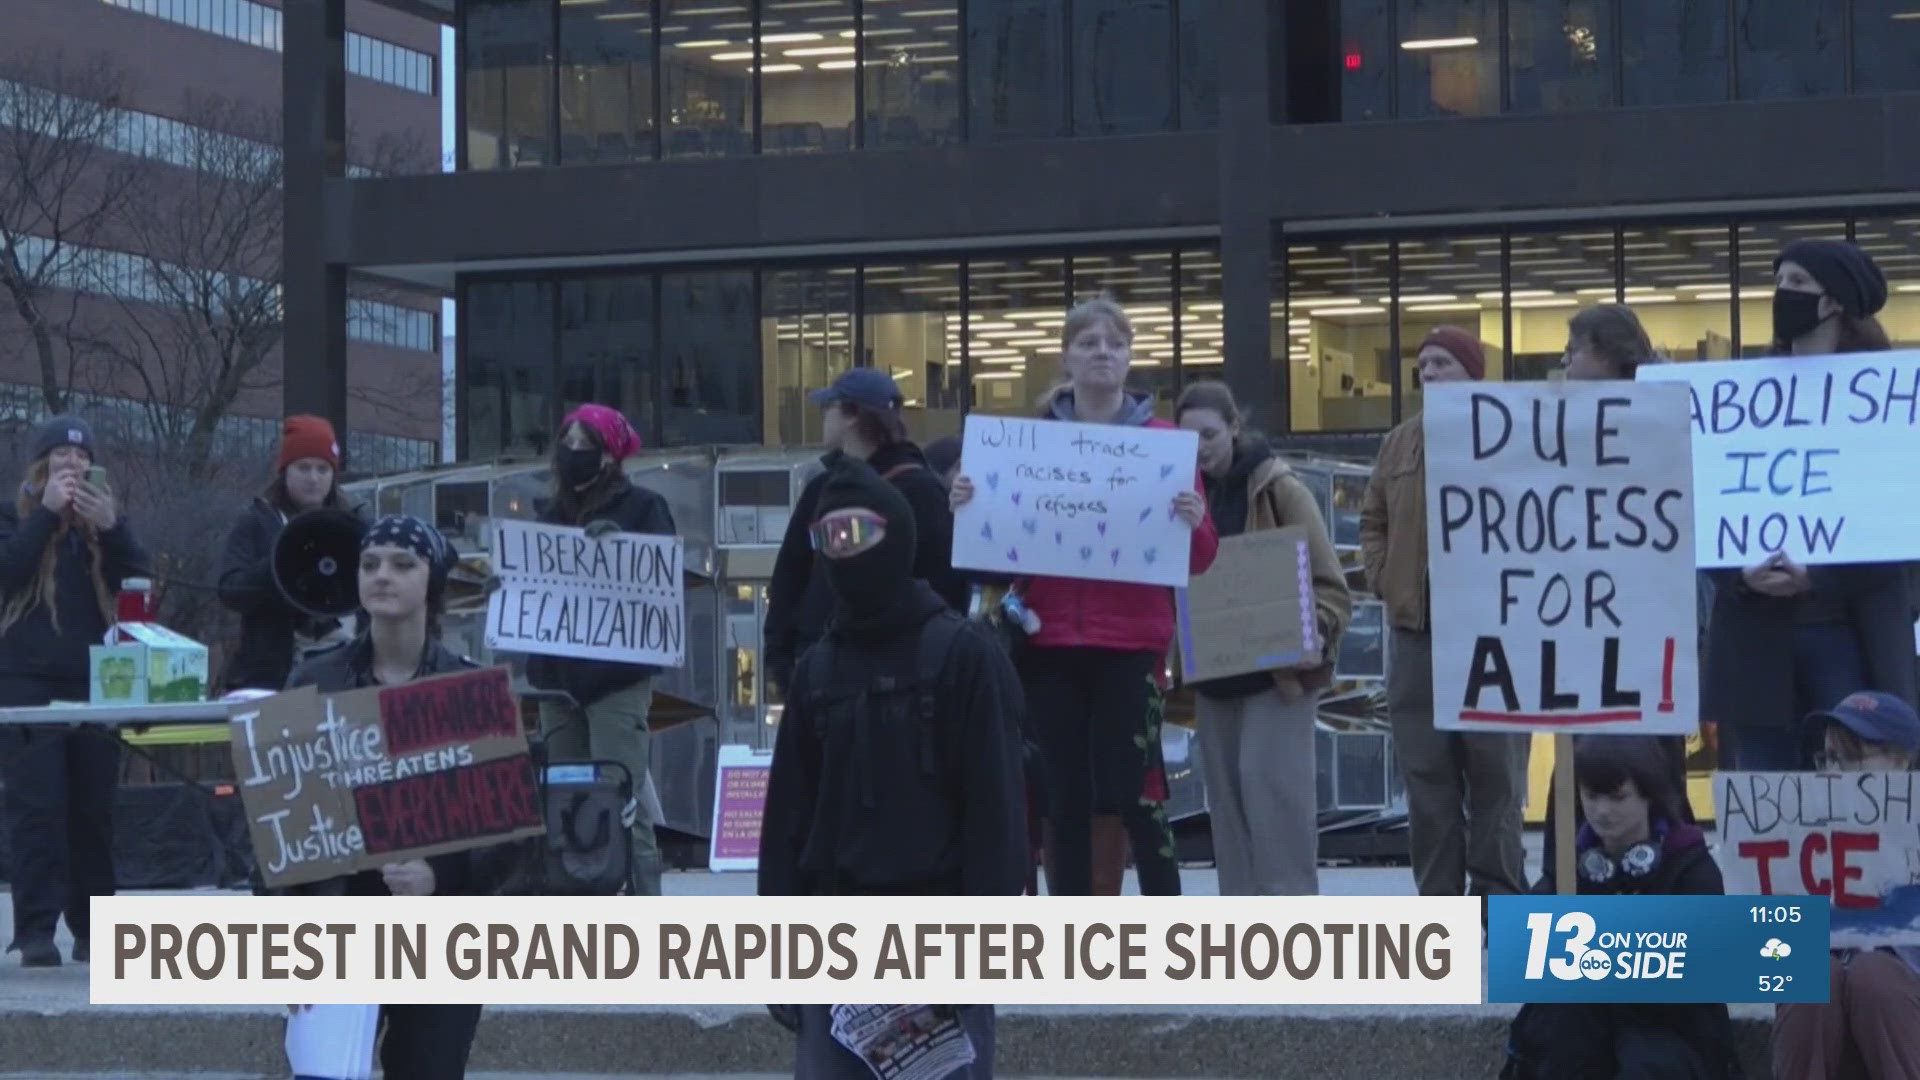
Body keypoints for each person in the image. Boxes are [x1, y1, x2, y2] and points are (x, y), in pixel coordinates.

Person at [758, 457, 1027, 1078]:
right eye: (829, 538)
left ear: (898, 535)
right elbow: (785, 825)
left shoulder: (963, 655)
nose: (845, 551)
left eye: (860, 533)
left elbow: (997, 814)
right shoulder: (817, 670)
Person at [951, 296, 1219, 896]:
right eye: (1089, 342)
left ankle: (1165, 928)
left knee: (1137, 790)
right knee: (1062, 790)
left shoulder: (1165, 444)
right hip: (1048, 640)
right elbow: (988, 556)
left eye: (1115, 343)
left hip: (1131, 643)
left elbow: (1201, 557)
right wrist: (970, 506)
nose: (1103, 353)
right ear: (1066, 356)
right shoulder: (1027, 444)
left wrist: (1196, 518)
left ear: (1129, 359)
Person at [285, 514, 498, 1079]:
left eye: (404, 564)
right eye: (370, 563)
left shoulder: (467, 690)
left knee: (427, 1067)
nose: (383, 576)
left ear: (433, 582)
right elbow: (273, 823)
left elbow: (510, 837)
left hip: (439, 928)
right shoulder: (313, 681)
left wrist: (440, 877)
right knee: (326, 1072)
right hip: (336, 922)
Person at [1703, 239, 1915, 770]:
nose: (1782, 295)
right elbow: (1708, 506)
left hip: (1844, 631)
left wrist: (1817, 577)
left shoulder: (1884, 400)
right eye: (1778, 283)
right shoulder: (1741, 394)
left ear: (1835, 301)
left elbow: (1894, 528)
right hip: (1755, 633)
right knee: (1763, 780)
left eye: (1797, 284)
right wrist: (1739, 575)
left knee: (1847, 775)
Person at [1360, 326, 1530, 899]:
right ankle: (1438, 905)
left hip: (1495, 633)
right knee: (1427, 783)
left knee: (1498, 780)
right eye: (1424, 364)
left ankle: (1498, 900)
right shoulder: (1400, 443)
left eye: (1442, 364)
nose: (1429, 373)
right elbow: (1373, 518)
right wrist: (1386, 578)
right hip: (1417, 634)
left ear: (1472, 373)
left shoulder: (1511, 436)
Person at [1175, 380, 1350, 896]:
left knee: (1274, 806)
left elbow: (1332, 586)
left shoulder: (1278, 488)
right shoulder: (1173, 496)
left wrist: (1314, 628)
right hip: (1213, 680)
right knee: (1229, 821)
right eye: (1188, 439)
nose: (1200, 448)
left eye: (1209, 434)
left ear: (1233, 428)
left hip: (1277, 680)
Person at [1501, 736, 1742, 1079]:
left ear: (1648, 795)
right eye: (1591, 796)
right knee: (1565, 1032)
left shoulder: (1692, 869)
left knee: (1648, 1060)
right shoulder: (1567, 873)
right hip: (1586, 1028)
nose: (1602, 810)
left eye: (1617, 797)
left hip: (1670, 1032)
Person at [0, 415, 149, 968]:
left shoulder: (103, 525)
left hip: (94, 678)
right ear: (40, 468)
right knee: (36, 806)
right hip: (25, 678)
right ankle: (35, 930)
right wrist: (44, 515)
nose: (73, 466)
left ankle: (94, 928)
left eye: (81, 458)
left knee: (93, 809)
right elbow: (8, 573)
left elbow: (139, 579)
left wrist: (112, 528)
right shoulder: (14, 518)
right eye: (60, 458)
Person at [1549, 306, 1696, 866]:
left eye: (1575, 346)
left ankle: (1662, 887)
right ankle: (1574, 888)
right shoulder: (1553, 427)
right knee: (1579, 761)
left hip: (1651, 627)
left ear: (1610, 354)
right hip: (1581, 622)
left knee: (1651, 763)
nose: (1564, 358)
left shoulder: (1666, 419)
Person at [523, 405, 677, 896]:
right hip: (557, 682)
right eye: (566, 445)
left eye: (585, 447)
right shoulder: (546, 514)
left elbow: (663, 586)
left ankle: (643, 904)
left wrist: (624, 550)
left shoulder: (644, 509)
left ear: (610, 456)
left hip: (617, 677)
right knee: (564, 802)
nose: (573, 456)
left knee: (623, 799)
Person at [765, 367, 966, 695]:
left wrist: (784, 662)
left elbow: (941, 588)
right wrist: (785, 668)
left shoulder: (918, 490)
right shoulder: (823, 487)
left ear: (851, 415)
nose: (823, 417)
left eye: (827, 407)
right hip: (823, 673)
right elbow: (790, 575)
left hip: (896, 679)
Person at [1772, 691, 1920, 1078]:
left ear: (1902, 761)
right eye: (1828, 758)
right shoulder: (1797, 837)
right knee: (1812, 977)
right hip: (1822, 1014)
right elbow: (1767, 957)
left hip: (1900, 1007)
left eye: (1851, 757)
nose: (1835, 772)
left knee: (1876, 977)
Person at [217, 415, 361, 692]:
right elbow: (229, 590)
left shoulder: (354, 524)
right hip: (272, 676)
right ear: (285, 472)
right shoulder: (257, 522)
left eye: (323, 469)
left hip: (344, 670)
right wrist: (279, 563)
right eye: (303, 468)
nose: (314, 478)